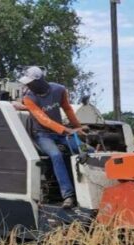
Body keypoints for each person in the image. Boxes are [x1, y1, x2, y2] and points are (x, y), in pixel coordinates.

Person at [20, 66, 86, 208]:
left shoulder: (59, 90)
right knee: (56, 155)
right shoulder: (29, 98)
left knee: (85, 150)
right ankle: (68, 195)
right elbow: (44, 120)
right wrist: (67, 130)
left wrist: (78, 127)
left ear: (40, 80)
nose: (28, 85)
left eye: (30, 82)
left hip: (60, 133)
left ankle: (90, 189)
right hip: (42, 135)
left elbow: (67, 108)